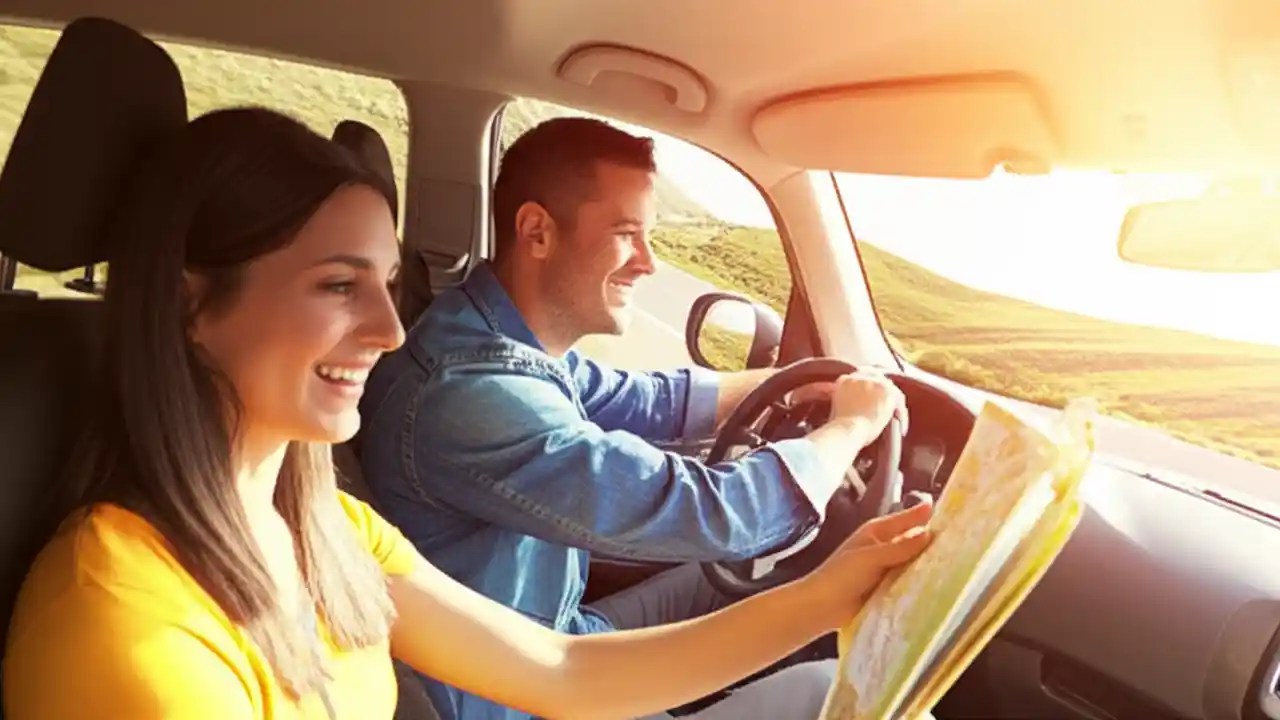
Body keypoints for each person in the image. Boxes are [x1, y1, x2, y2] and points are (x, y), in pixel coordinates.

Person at [0, 107, 935, 720]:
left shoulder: (321, 524)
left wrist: (829, 588)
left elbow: (564, 671)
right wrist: (841, 439)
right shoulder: (131, 640)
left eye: (383, 282)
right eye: (337, 285)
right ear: (189, 306)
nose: (387, 328)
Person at [357, 116, 912, 719]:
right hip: (507, 693)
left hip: (554, 631)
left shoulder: (499, 341)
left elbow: (648, 399)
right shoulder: (472, 393)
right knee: (827, 691)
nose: (647, 262)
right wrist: (851, 429)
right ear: (537, 231)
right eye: (627, 234)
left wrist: (812, 383)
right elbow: (713, 512)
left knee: (732, 576)